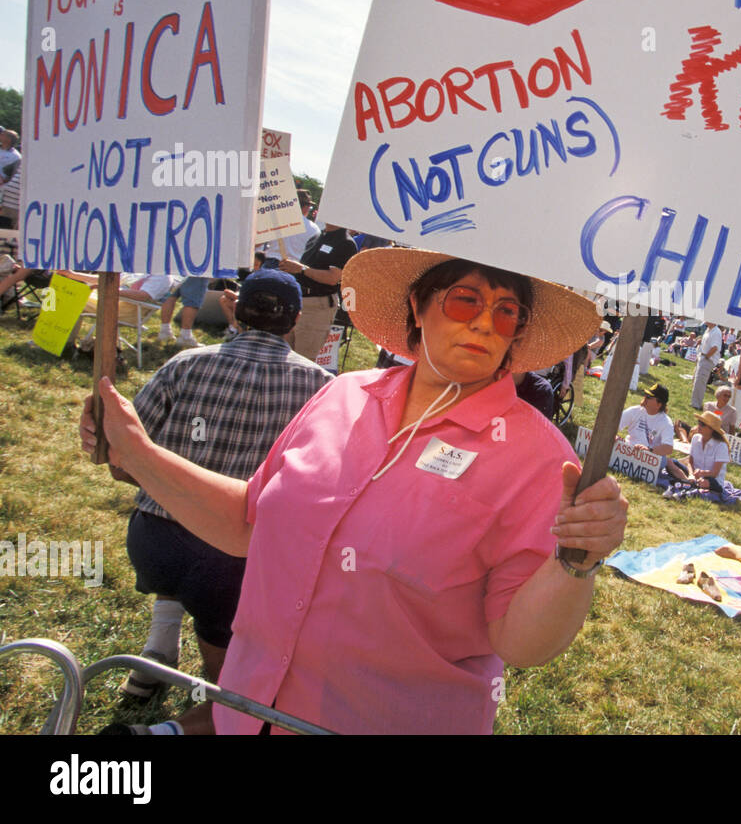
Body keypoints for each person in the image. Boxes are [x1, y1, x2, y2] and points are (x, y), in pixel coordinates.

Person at [81, 248, 627, 734]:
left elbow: (522, 645)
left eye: (507, 312)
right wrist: (136, 451)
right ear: (418, 305)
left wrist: (576, 563)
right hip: (246, 710)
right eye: (466, 300)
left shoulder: (540, 458)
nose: (486, 323)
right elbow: (249, 522)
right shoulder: (342, 394)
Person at [107, 271, 332, 731]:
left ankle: (156, 650)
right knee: (236, 694)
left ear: (237, 309)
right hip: (232, 560)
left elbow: (121, 461)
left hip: (152, 541)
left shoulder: (183, 363)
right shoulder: (323, 390)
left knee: (180, 554)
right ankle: (208, 720)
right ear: (295, 319)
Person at [280, 222, 357, 361]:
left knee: (302, 360)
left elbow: (333, 278)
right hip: (299, 301)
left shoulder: (345, 243)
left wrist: (301, 269)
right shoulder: (317, 236)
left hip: (316, 306)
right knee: (285, 355)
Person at [665, 411, 729, 494]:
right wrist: (691, 474)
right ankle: (690, 483)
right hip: (694, 475)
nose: (699, 426)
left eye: (702, 424)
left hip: (712, 479)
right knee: (669, 462)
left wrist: (701, 473)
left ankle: (687, 484)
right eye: (699, 422)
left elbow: (714, 473)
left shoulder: (721, 446)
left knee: (704, 482)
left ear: (711, 429)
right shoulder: (695, 438)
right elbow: (690, 462)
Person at [619, 384, 675, 466]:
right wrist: (614, 436)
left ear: (659, 405)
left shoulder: (666, 422)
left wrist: (649, 450)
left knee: (663, 462)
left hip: (648, 458)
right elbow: (613, 425)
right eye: (645, 395)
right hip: (628, 450)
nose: (645, 398)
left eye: (649, 397)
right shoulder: (635, 411)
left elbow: (668, 448)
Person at [691, 321, 723, 409]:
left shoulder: (716, 332)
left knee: (700, 382)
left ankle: (696, 404)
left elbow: (715, 347)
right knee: (697, 381)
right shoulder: (708, 330)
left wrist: (706, 356)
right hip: (703, 357)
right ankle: (694, 401)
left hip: (707, 359)